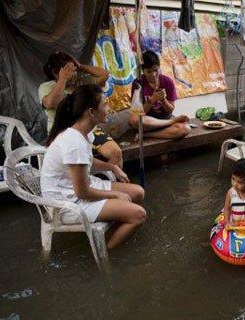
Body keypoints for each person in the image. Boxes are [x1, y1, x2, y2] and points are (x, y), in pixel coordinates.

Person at [41, 84, 146, 250]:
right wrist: (115, 195)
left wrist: (113, 168)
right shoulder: (73, 142)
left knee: (138, 193)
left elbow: (86, 161)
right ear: (91, 112)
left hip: (77, 190)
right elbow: (82, 192)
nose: (108, 108)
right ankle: (106, 250)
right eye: (104, 105)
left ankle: (116, 227)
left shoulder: (83, 132)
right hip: (67, 203)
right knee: (138, 215)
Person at [38, 51, 123, 167]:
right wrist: (62, 79)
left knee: (116, 153)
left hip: (89, 131)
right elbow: (50, 103)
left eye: (74, 70)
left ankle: (108, 183)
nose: (74, 74)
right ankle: (84, 183)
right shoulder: (47, 87)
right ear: (55, 72)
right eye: (69, 70)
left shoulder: (81, 83)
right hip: (61, 132)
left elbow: (104, 75)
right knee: (75, 161)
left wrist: (80, 66)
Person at [129, 50, 191, 139]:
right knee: (133, 120)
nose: (154, 74)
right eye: (149, 72)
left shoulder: (167, 81)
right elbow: (137, 113)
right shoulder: (138, 83)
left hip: (165, 120)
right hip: (148, 122)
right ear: (143, 71)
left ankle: (146, 135)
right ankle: (172, 121)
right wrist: (152, 100)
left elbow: (170, 110)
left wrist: (164, 101)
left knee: (185, 129)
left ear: (159, 67)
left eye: (155, 70)